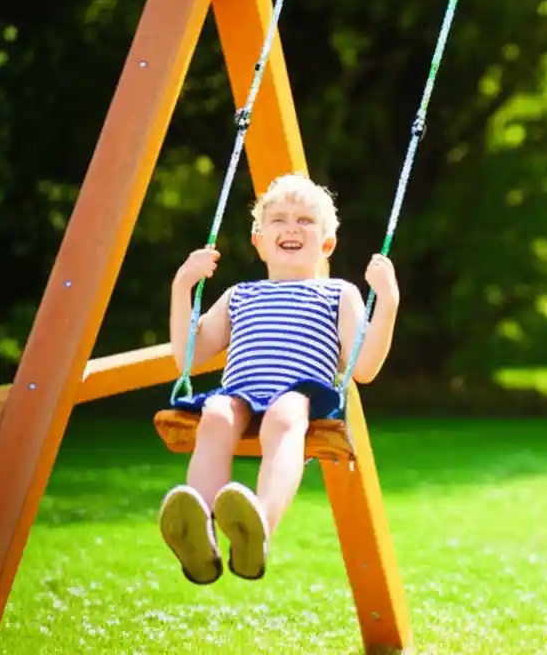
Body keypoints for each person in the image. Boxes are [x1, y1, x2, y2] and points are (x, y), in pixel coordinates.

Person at [158, 173, 401, 584]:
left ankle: (259, 527)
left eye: (305, 220)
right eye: (279, 219)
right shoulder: (240, 295)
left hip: (300, 397)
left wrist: (388, 299)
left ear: (327, 243)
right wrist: (183, 285)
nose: (291, 227)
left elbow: (365, 368)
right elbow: (187, 355)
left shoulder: (338, 293)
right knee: (215, 413)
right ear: (259, 241)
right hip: (240, 395)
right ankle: (200, 533)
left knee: (285, 415)